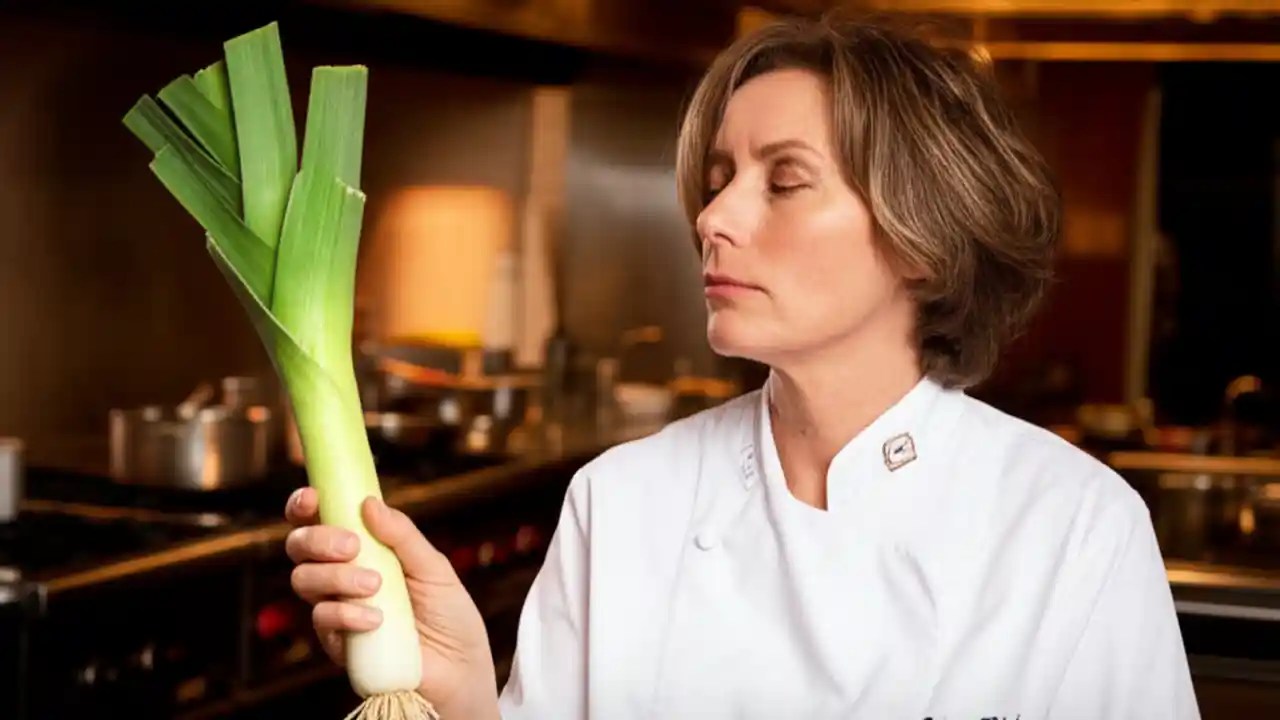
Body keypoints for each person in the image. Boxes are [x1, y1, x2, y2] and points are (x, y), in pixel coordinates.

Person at [283, 14, 1200, 720]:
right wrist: (464, 698)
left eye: (785, 180)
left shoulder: (1073, 529)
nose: (712, 217)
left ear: (922, 239)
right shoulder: (622, 502)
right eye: (719, 178)